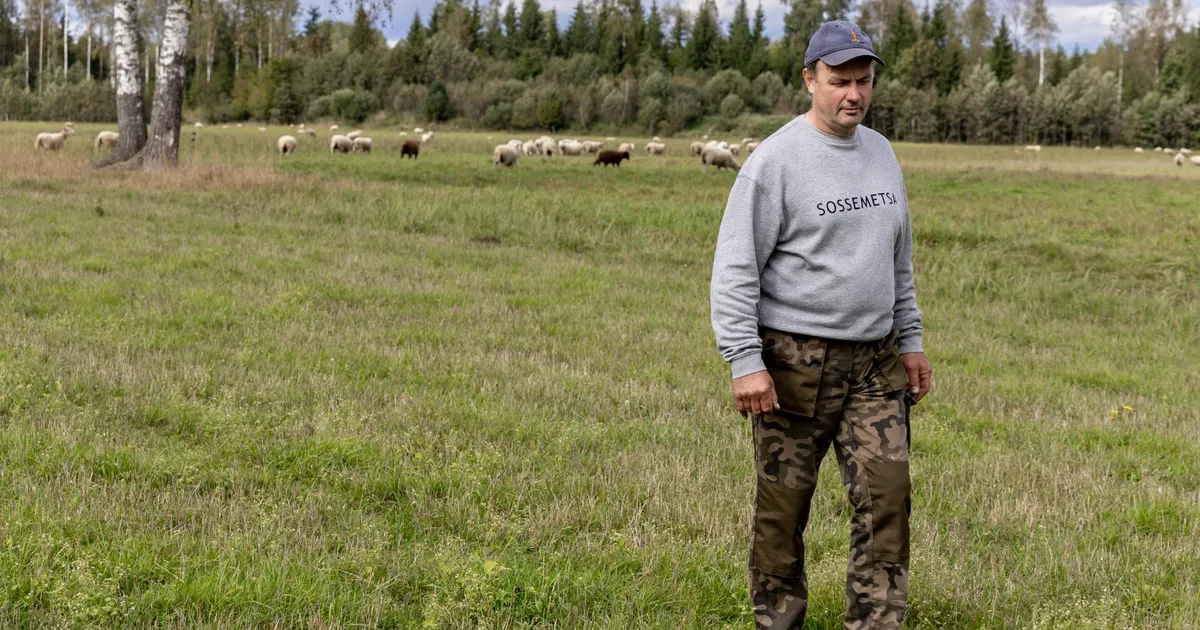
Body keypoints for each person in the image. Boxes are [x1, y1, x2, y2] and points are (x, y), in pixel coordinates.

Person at [709, 19, 933, 630]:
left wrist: (911, 339)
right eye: (840, 81)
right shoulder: (775, 162)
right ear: (810, 80)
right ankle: (779, 621)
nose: (854, 94)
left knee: (887, 502)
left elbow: (898, 260)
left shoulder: (881, 152)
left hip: (876, 362)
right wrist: (745, 361)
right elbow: (734, 269)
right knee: (783, 513)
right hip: (794, 365)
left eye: (864, 81)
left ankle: (876, 622)